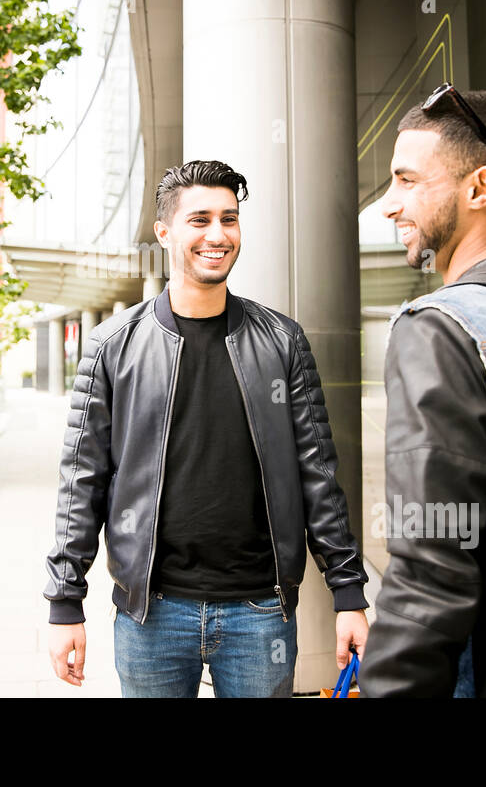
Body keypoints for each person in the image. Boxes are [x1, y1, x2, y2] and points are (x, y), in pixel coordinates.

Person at [43, 160, 370, 697]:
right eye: (200, 219)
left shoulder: (283, 342)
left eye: (229, 218)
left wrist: (348, 590)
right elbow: (82, 481)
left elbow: (318, 474)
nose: (217, 234)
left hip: (260, 611)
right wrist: (64, 602)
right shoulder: (110, 347)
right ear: (165, 232)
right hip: (151, 613)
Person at [358, 84, 486, 697]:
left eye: (407, 180)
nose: (390, 205)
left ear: (479, 189)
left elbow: (429, 572)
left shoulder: (440, 330)